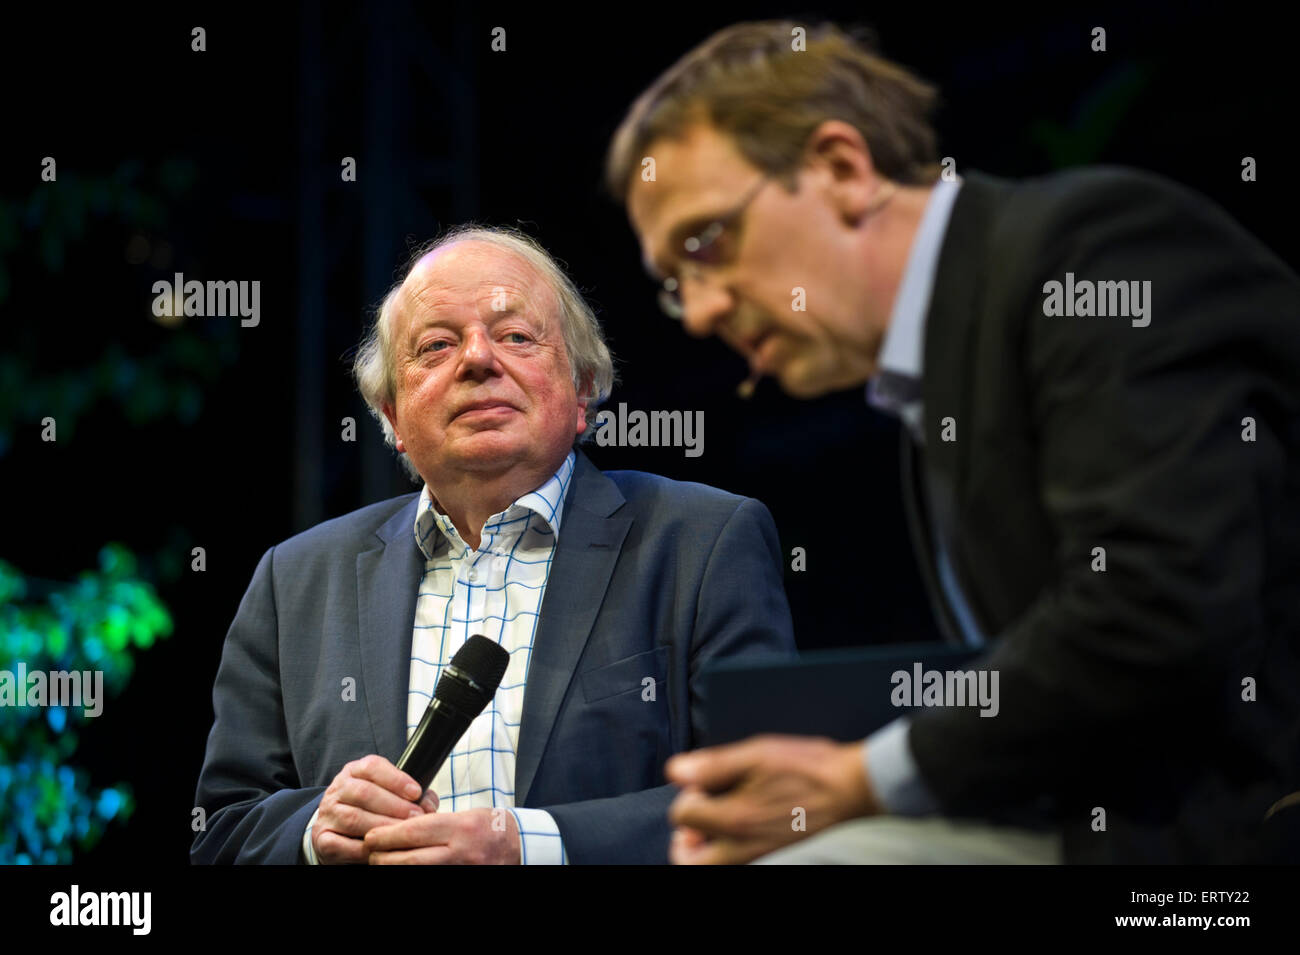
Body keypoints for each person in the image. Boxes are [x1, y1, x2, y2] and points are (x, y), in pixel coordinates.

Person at [607, 19, 1300, 863]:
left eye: (707, 243)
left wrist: (861, 776)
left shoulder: (1092, 250)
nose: (705, 309)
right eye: (678, 288)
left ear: (841, 169)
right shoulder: (932, 373)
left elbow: (1158, 602)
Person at [190, 225, 795, 864]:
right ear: (392, 417)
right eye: (436, 345)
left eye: (515, 336)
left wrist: (527, 846)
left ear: (584, 389)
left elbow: (769, 801)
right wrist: (315, 832)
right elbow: (223, 830)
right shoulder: (296, 579)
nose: (477, 359)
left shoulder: (702, 542)